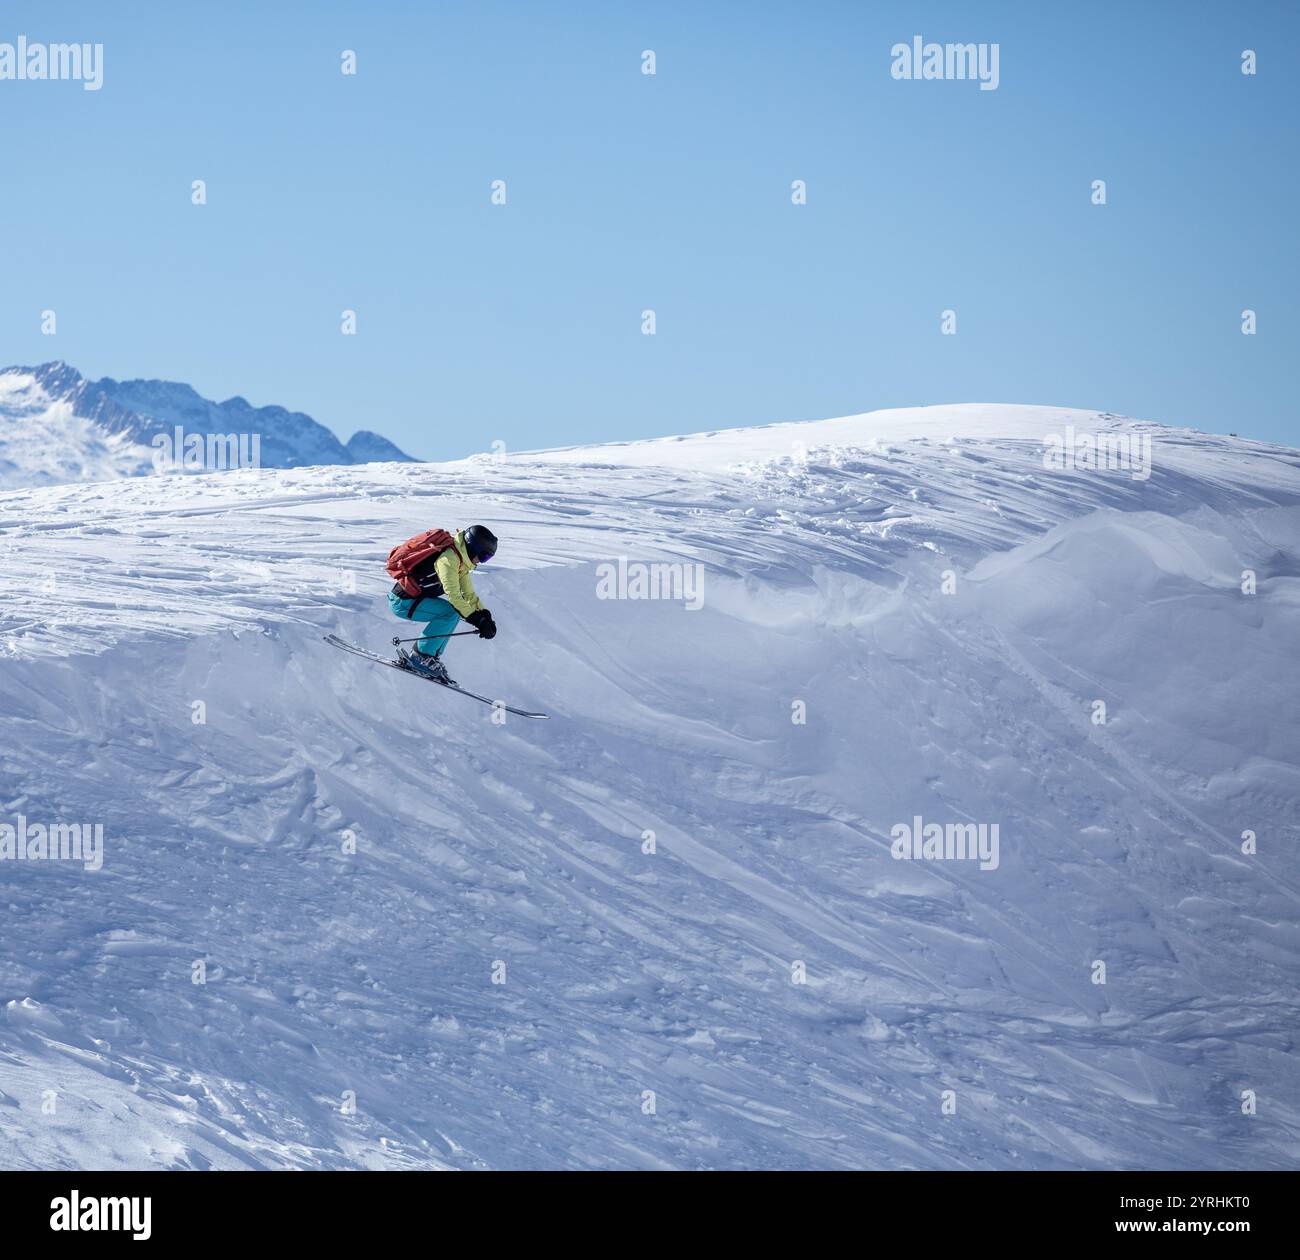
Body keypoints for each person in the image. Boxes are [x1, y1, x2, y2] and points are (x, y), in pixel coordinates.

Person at [386, 524, 498, 684]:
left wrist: (485, 616)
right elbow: (454, 596)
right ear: (473, 548)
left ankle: (429, 657)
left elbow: (469, 595)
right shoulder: (448, 559)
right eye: (484, 556)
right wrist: (477, 620)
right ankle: (421, 656)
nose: (482, 561)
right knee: (450, 612)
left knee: (452, 613)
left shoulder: (460, 561)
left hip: (414, 600)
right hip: (403, 601)